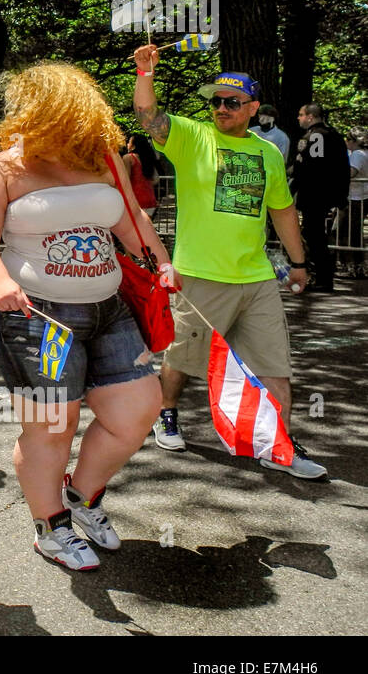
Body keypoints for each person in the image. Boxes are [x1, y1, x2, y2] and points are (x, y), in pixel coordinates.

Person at [0, 61, 177, 571]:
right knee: (51, 427)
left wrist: (163, 262)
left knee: (138, 410)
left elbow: (131, 220)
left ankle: (81, 497)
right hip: (38, 319)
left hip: (109, 310)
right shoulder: (5, 168)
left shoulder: (102, 160)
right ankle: (51, 525)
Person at [134, 52, 327, 479]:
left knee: (274, 365)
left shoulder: (268, 154)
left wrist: (298, 263)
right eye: (217, 101)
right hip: (199, 273)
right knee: (182, 357)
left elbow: (281, 211)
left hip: (256, 277)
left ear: (253, 108)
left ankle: (277, 444)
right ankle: (166, 414)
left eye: (232, 102)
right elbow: (147, 115)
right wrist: (145, 74)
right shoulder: (192, 137)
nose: (222, 108)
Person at [293, 104, 350, 294]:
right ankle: (322, 275)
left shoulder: (310, 137)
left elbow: (302, 167)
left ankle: (322, 277)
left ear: (310, 117)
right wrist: (341, 195)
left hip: (312, 193)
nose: (299, 119)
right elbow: (343, 168)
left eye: (301, 115)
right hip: (327, 193)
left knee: (313, 235)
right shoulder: (334, 136)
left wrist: (292, 187)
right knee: (315, 234)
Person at [339, 128, 367, 278]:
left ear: (354, 141)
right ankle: (354, 265)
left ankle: (355, 266)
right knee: (350, 232)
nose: (346, 142)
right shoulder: (362, 154)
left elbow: (351, 173)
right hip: (359, 196)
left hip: (356, 198)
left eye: (348, 139)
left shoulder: (357, 154)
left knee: (350, 233)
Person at [122, 132, 160, 219]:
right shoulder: (148, 159)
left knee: (132, 231)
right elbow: (155, 180)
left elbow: (125, 180)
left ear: (134, 145)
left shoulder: (128, 158)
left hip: (135, 200)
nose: (127, 144)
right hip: (150, 199)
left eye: (129, 142)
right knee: (145, 230)